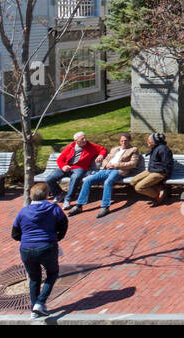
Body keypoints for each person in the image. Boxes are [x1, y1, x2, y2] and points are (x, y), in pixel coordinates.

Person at [11, 182, 69, 318]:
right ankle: (40, 302)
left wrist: (26, 240)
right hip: (47, 246)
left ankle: (33, 310)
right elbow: (64, 224)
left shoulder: (23, 211)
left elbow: (14, 233)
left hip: (26, 249)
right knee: (53, 273)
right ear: (47, 195)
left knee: (34, 278)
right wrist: (58, 237)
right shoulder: (54, 209)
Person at [67, 133, 141, 217]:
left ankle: (105, 207)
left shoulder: (133, 150)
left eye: (126, 140)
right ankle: (79, 206)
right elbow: (105, 159)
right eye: (122, 140)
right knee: (88, 180)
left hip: (118, 170)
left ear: (129, 141)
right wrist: (106, 164)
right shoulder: (115, 149)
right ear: (119, 141)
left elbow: (133, 163)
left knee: (108, 182)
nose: (124, 142)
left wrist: (116, 165)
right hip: (107, 169)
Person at [37, 132, 106, 204]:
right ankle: (59, 194)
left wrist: (101, 155)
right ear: (76, 141)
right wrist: (63, 166)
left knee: (75, 178)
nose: (85, 140)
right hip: (67, 167)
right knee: (49, 179)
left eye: (85, 137)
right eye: (82, 139)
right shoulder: (71, 147)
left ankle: (68, 199)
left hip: (79, 168)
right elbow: (60, 159)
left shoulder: (91, 146)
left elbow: (103, 149)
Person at [126, 132, 174, 204]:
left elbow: (167, 165)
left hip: (159, 172)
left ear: (155, 141)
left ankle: (157, 196)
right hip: (151, 170)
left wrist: (164, 177)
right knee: (133, 181)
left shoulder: (163, 150)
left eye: (149, 141)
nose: (147, 142)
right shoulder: (155, 147)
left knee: (139, 187)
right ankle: (157, 192)